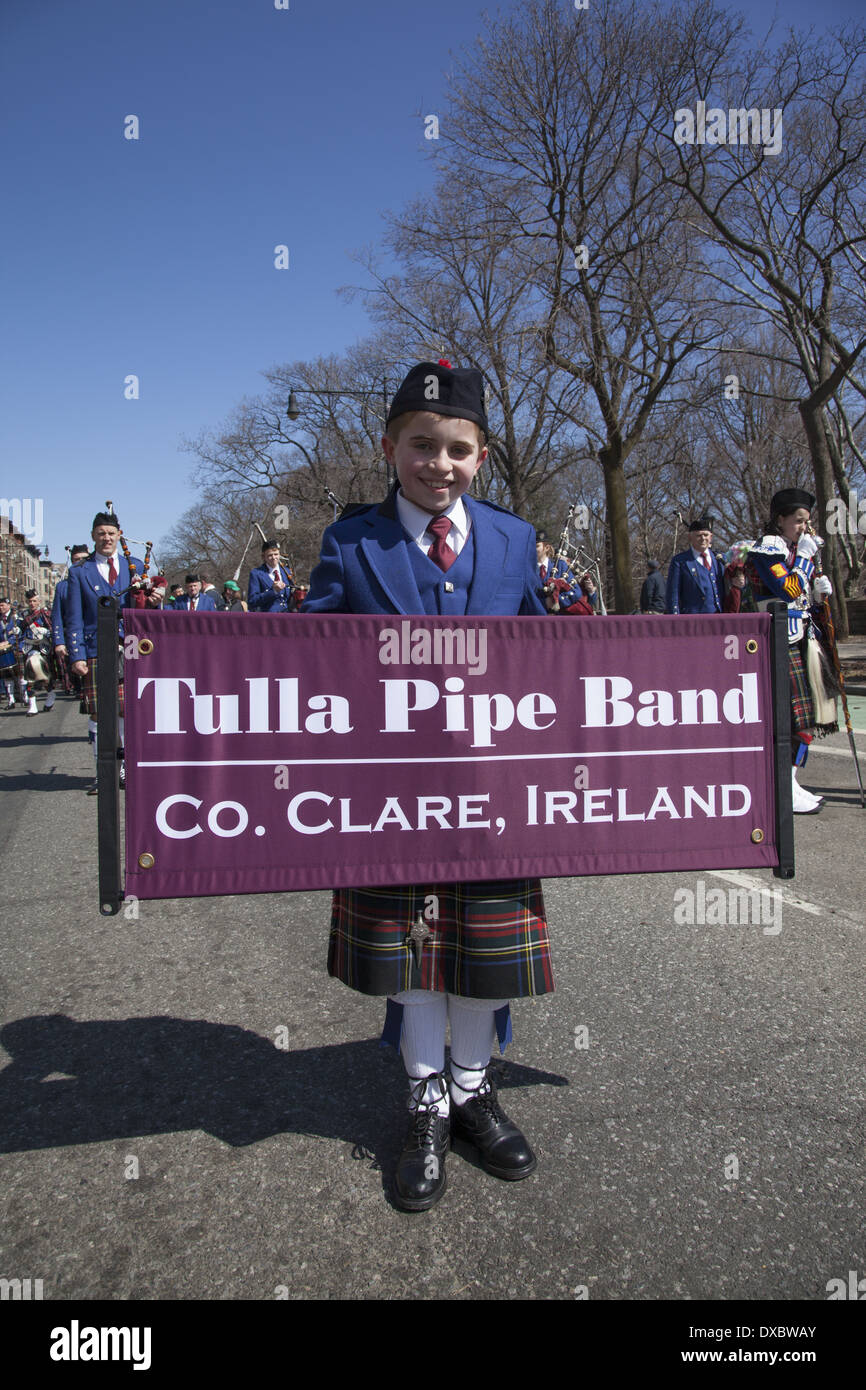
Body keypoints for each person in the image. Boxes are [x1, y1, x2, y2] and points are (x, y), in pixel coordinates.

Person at [303, 359, 551, 1213]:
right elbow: (309, 656)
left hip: (492, 792)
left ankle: (476, 1089)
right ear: (389, 446)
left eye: (457, 449)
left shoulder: (516, 540)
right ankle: (425, 1098)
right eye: (420, 445)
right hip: (387, 791)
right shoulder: (350, 541)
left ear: (481, 455)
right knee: (413, 952)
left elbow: (549, 666)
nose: (437, 464)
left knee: (483, 952)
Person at [745, 488, 837, 815]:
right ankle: (783, 783)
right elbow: (787, 589)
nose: (804, 527)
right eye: (798, 520)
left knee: (811, 714)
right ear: (780, 519)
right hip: (778, 641)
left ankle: (791, 780)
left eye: (806, 521)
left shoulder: (793, 550)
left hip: (801, 638)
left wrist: (818, 594)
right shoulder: (766, 550)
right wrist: (805, 560)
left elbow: (801, 597)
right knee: (790, 717)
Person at [66, 511, 143, 794]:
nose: (106, 538)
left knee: (126, 713)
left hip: (130, 648)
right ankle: (103, 772)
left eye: (111, 533)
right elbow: (74, 615)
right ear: (93, 537)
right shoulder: (79, 572)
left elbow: (142, 610)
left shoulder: (133, 567)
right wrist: (77, 655)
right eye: (101, 533)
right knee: (100, 714)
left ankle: (123, 770)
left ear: (119, 536)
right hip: (96, 648)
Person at [666, 516, 725, 614]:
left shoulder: (720, 559)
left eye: (706, 535)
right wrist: (675, 620)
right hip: (693, 620)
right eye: (698, 535)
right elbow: (673, 594)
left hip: (720, 618)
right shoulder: (680, 561)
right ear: (690, 537)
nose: (703, 539)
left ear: (711, 537)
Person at [52, 544, 89, 695]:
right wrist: (59, 641)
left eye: (83, 559)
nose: (79, 562)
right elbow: (57, 615)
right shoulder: (62, 586)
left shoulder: (95, 580)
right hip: (73, 637)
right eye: (76, 559)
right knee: (79, 681)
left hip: (93, 636)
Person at [19, 589, 56, 715]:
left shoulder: (45, 614)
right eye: (30, 601)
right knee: (29, 678)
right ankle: (32, 706)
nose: (32, 603)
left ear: (39, 601)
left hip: (43, 648)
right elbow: (19, 633)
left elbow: (53, 630)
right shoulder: (23, 616)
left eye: (34, 601)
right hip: (29, 648)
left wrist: (46, 632)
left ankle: (51, 695)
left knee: (44, 677)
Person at [248, 541, 294, 612]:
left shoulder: (287, 572)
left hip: (287, 617)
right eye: (270, 555)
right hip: (268, 618)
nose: (273, 557)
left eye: (276, 554)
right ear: (263, 557)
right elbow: (252, 601)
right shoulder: (256, 573)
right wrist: (273, 591)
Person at [0, 595, 25, 709]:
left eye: (2, 605)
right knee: (7, 677)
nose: (1, 607)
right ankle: (11, 700)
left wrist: (9, 641)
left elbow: (20, 633)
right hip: (3, 652)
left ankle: (24, 697)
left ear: (8, 605)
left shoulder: (16, 618)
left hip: (16, 649)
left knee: (20, 675)